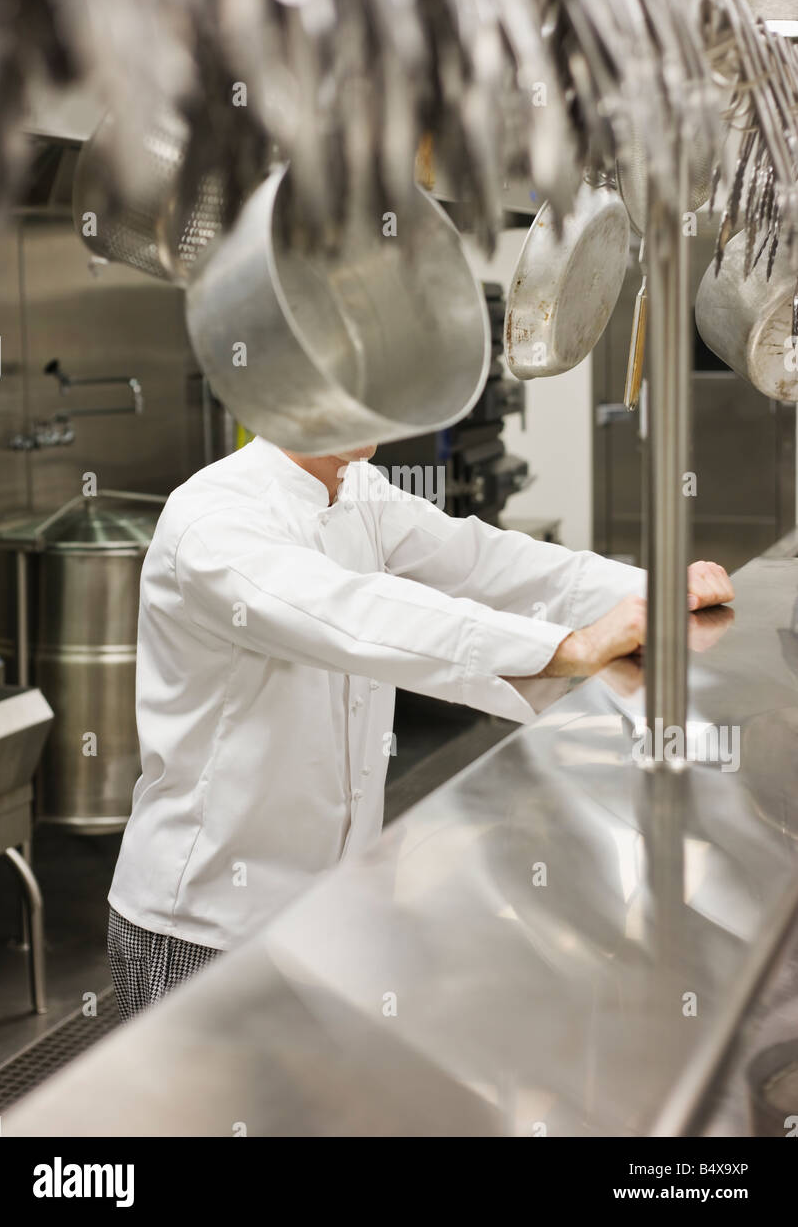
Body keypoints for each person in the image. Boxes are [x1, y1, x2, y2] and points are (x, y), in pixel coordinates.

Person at [107, 435, 733, 1018]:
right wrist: (571, 647)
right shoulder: (212, 520)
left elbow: (491, 562)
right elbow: (353, 614)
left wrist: (659, 595)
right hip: (205, 927)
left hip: (331, 912)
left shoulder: (359, 492)